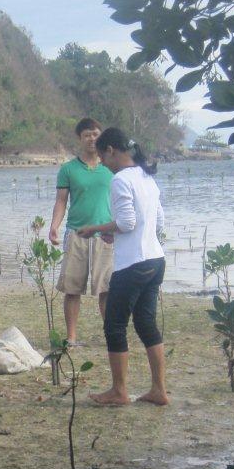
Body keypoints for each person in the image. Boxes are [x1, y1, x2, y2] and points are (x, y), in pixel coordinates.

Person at [75, 127, 169, 407]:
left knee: (114, 326)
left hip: (133, 265)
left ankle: (119, 391)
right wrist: (113, 231)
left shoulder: (120, 180)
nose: (102, 163)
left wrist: (95, 227)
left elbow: (127, 223)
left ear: (111, 151)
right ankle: (159, 390)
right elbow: (158, 222)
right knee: (146, 324)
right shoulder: (147, 177)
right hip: (155, 260)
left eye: (103, 157)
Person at [48, 118, 116, 343]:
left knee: (106, 288)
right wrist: (54, 227)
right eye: (87, 134)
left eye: (95, 134)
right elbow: (61, 201)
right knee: (72, 288)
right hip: (76, 233)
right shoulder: (68, 169)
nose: (92, 139)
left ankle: (111, 336)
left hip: (105, 235)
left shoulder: (110, 167)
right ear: (80, 138)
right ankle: (71, 337)